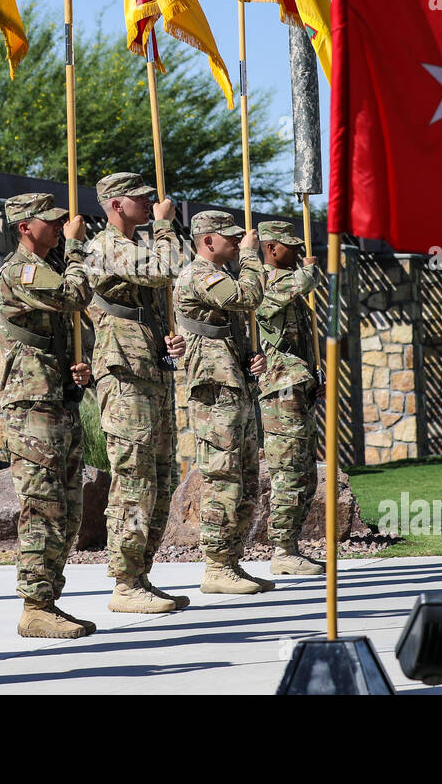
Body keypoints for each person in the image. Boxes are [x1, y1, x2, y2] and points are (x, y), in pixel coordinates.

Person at [86, 172, 187, 614]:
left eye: (151, 199)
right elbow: (166, 268)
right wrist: (165, 225)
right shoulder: (105, 245)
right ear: (114, 204)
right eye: (140, 198)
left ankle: (141, 574)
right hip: (123, 371)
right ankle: (124, 582)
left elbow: (154, 290)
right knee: (134, 476)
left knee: (160, 477)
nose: (149, 203)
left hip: (148, 366)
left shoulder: (132, 246)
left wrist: (167, 337)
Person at [0, 192, 95, 638]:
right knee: (43, 505)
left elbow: (75, 325)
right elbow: (75, 296)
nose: (59, 227)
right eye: (49, 222)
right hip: (31, 404)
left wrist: (81, 361)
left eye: (61, 222)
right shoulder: (22, 270)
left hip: (56, 398)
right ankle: (33, 605)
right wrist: (75, 248)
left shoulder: (46, 269)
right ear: (23, 227)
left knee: (68, 506)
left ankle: (49, 599)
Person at [173, 210, 270, 595]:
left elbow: (229, 326)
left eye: (238, 238)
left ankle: (231, 560)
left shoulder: (221, 276)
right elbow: (249, 296)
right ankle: (215, 565)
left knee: (245, 477)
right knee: (222, 476)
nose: (236, 241)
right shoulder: (199, 274)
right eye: (228, 237)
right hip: (215, 391)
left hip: (234, 384)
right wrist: (250, 256)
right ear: (207, 241)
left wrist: (251, 357)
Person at [255, 221, 325, 576]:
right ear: (270, 248)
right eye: (290, 246)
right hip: (280, 388)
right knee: (288, 470)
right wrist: (308, 272)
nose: (299, 252)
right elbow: (271, 303)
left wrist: (316, 374)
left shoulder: (292, 283)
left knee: (305, 472)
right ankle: (282, 551)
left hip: (299, 383)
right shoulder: (262, 283)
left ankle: (291, 545)